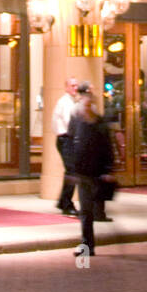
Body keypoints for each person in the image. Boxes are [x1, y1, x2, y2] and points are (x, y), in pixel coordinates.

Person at [69, 84, 114, 261]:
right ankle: (87, 245)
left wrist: (108, 170)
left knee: (95, 208)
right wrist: (72, 169)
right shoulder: (77, 121)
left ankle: (90, 240)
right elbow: (71, 144)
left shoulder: (100, 124)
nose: (85, 108)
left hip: (97, 173)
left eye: (88, 105)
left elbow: (108, 148)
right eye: (83, 105)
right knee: (86, 211)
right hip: (83, 174)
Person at [52, 77, 80, 216]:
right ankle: (66, 203)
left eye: (76, 85)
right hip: (66, 139)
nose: (75, 88)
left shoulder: (71, 102)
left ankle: (64, 202)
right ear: (66, 87)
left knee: (71, 171)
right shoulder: (66, 102)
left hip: (67, 139)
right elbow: (70, 123)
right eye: (72, 85)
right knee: (72, 171)